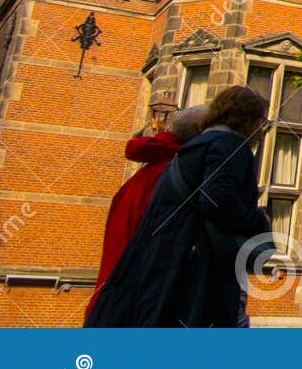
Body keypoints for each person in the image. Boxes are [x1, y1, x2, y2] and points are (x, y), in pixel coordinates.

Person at [85, 85, 272, 328]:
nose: (261, 131)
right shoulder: (230, 145)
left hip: (164, 267)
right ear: (247, 119)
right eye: (261, 122)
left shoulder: (191, 149)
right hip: (199, 270)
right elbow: (217, 202)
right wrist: (259, 221)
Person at [85, 104, 207, 320]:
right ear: (200, 131)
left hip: (115, 294)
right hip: (139, 297)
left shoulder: (152, 166)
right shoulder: (174, 173)